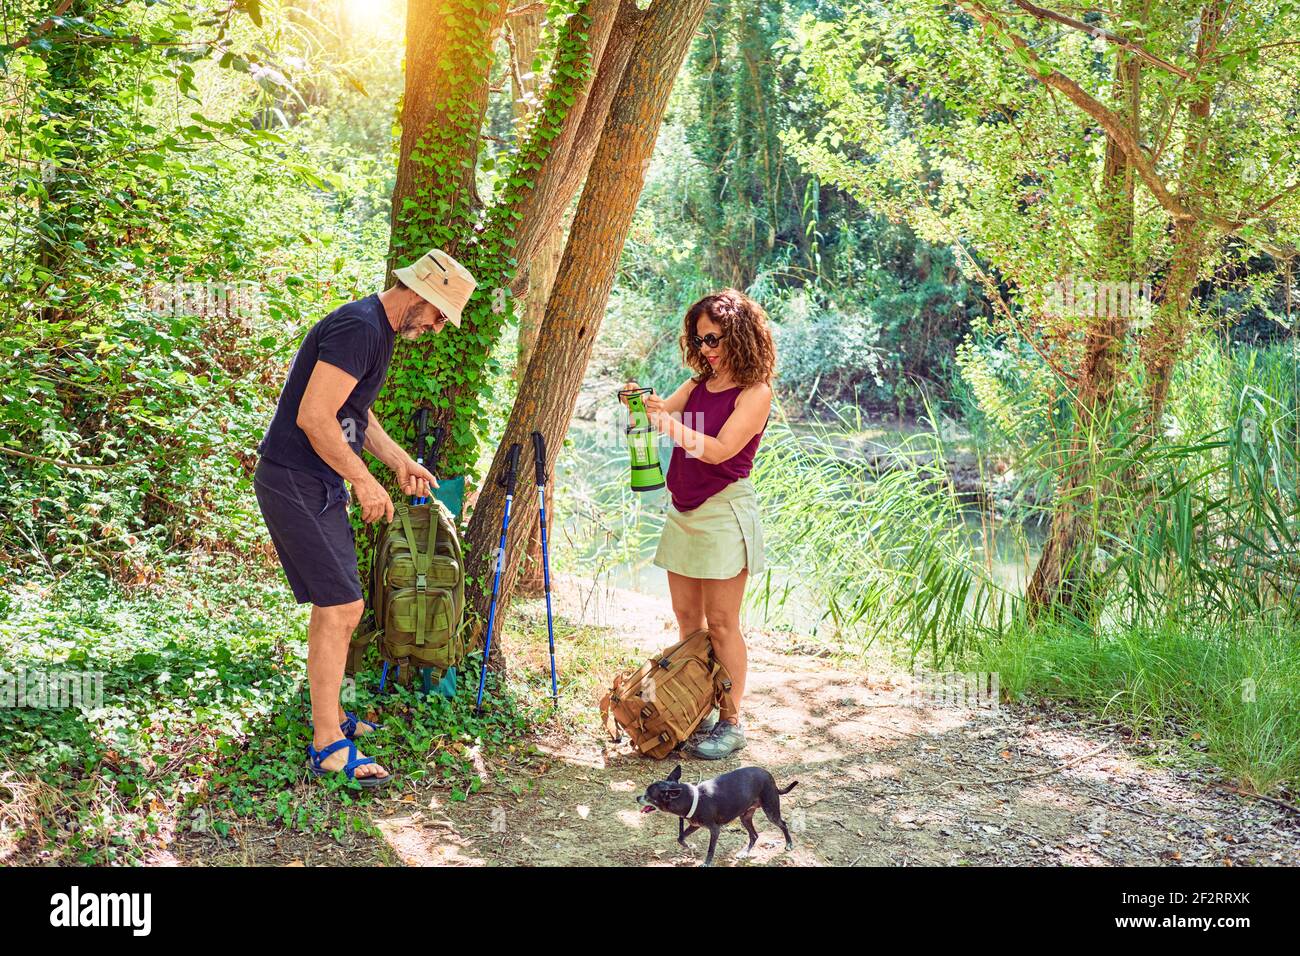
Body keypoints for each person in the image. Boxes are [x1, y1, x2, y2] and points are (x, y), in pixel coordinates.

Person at [254, 248, 477, 787]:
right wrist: (363, 479)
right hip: (295, 479)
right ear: (419, 295)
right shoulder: (360, 327)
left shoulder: (373, 330)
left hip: (314, 481)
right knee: (342, 606)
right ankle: (328, 743)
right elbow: (313, 416)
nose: (438, 327)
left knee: (340, 606)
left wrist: (398, 461)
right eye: (440, 314)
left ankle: (329, 718)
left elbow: (354, 412)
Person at [622, 288, 775, 759]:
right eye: (700, 339)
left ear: (741, 336)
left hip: (724, 512)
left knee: (724, 624)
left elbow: (719, 449)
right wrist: (640, 405)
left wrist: (666, 424)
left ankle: (732, 722)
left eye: (715, 338)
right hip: (683, 510)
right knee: (689, 622)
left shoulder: (755, 392)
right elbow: (661, 415)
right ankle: (697, 707)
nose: (707, 349)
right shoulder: (696, 385)